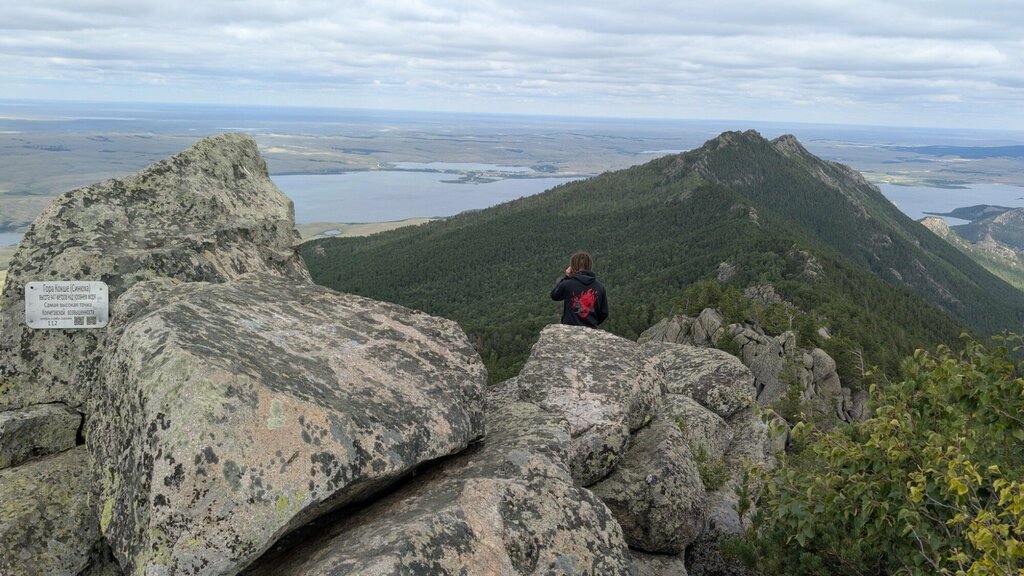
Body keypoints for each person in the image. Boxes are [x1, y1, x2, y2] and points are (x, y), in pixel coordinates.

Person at [551, 251, 608, 328]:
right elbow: (604, 312)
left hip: (570, 330)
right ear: (589, 265)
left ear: (573, 266)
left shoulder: (567, 284)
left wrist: (567, 277)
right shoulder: (600, 287)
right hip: (591, 330)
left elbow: (554, 296)